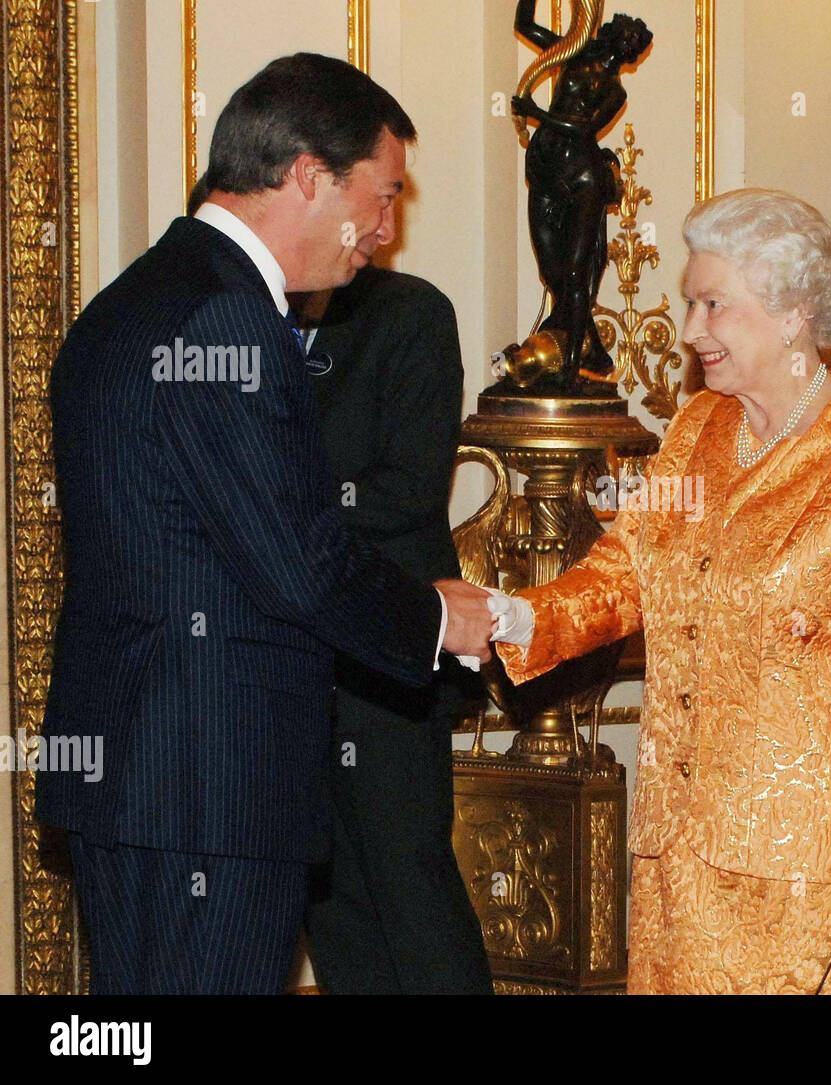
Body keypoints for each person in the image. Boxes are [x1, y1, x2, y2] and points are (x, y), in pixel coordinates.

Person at [38, 53, 494, 995]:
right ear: (306, 176)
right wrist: (436, 619)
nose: (385, 228)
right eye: (382, 195)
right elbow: (298, 560)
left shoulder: (131, 300)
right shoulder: (230, 322)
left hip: (141, 782)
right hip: (211, 787)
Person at [491, 188, 831, 994]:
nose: (693, 328)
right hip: (673, 858)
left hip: (798, 873)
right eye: (689, 302)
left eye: (714, 304)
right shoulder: (695, 429)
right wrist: (520, 613)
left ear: (792, 314)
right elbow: (626, 571)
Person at [294, 266, 492, 994]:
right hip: (289, 660)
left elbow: (408, 488)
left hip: (388, 665)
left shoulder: (410, 313)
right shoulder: (244, 319)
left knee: (411, 891)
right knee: (331, 901)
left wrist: (269, 507)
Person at [510, 1, 653, 391]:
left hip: (582, 176)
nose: (626, 44)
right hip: (545, 166)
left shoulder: (615, 92)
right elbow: (525, 25)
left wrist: (535, 111)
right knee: (551, 268)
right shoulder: (573, 52)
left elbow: (582, 128)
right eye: (625, 36)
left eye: (632, 43)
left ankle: (571, 367)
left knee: (573, 270)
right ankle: (591, 349)